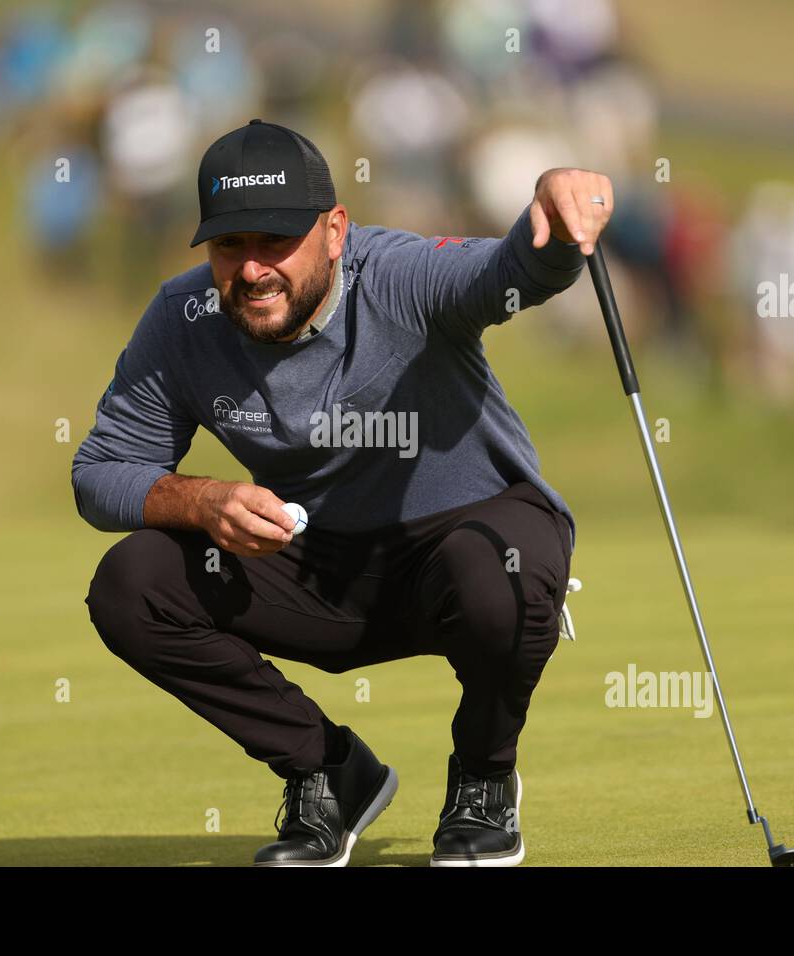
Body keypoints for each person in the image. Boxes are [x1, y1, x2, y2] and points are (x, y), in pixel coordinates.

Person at [72, 118, 611, 867]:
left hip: (467, 547)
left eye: (275, 241)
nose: (252, 269)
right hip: (319, 566)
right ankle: (328, 773)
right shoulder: (184, 318)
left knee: (502, 572)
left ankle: (485, 779)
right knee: (132, 584)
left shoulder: (397, 275)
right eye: (231, 246)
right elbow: (100, 472)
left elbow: (505, 277)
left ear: (334, 231)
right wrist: (201, 502)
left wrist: (550, 225)